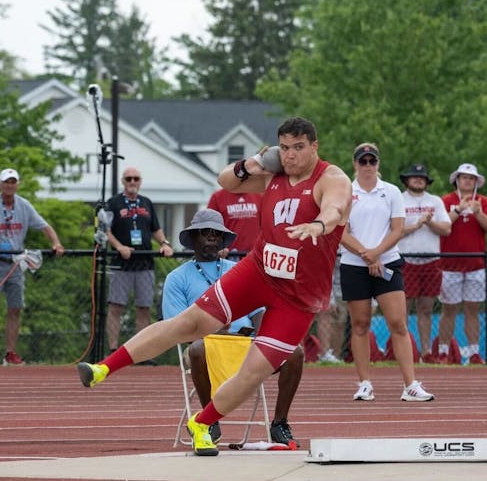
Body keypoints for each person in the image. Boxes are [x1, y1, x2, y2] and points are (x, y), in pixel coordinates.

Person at [77, 116, 353, 457]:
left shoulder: (331, 177)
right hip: (259, 271)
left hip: (298, 297)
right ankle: (103, 367)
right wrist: (252, 163)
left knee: (253, 373)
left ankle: (202, 422)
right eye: (284, 148)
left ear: (314, 146)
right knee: (189, 323)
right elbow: (226, 181)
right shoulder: (272, 176)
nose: (291, 155)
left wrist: (318, 224)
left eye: (298, 148)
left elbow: (336, 206)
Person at [162, 208, 303, 446]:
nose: (212, 237)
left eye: (217, 233)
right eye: (206, 232)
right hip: (206, 345)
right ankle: (208, 421)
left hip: (246, 345)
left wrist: (264, 334)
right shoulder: (177, 278)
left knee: (294, 351)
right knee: (197, 348)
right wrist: (215, 333)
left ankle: (280, 423)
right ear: (193, 237)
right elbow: (178, 328)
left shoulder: (239, 269)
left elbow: (259, 313)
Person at [340, 143, 434, 402]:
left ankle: (410, 384)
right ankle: (364, 383)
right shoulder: (345, 191)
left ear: (378, 163)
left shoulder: (391, 191)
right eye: (363, 161)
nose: (368, 166)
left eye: (372, 161)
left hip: (388, 262)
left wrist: (376, 253)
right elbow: (341, 231)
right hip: (354, 264)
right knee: (359, 325)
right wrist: (365, 254)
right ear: (355, 163)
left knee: (398, 323)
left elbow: (397, 229)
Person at [0, 168, 65, 365]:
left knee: (15, 309)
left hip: (15, 264)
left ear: (17, 184)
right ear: (0, 184)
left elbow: (45, 226)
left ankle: (10, 352)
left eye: (13, 182)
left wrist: (56, 243)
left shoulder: (23, 205)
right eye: (6, 182)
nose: (9, 185)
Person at [105, 167, 174, 353]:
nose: (132, 182)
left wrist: (165, 243)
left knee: (144, 307)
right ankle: (113, 349)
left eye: (136, 178)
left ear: (140, 181)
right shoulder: (113, 203)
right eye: (128, 179)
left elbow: (155, 229)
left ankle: (141, 351)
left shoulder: (147, 203)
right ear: (122, 181)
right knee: (116, 306)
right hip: (121, 264)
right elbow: (106, 230)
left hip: (145, 263)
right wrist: (119, 246)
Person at [437, 163, 487, 364]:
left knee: (472, 310)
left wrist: (478, 212)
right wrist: (458, 210)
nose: (467, 181)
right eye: (464, 177)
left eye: (471, 178)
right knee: (448, 310)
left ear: (476, 182)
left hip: (475, 264)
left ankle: (473, 352)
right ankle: (443, 351)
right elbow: (441, 226)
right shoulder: (446, 200)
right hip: (450, 264)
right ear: (457, 180)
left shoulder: (483, 201)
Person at [398, 163, 451, 362]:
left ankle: (425, 351)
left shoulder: (435, 201)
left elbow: (446, 229)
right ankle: (403, 351)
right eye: (414, 177)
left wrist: (429, 222)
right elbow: (396, 230)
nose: (418, 180)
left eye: (421, 177)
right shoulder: (399, 200)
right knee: (403, 308)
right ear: (407, 180)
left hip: (431, 261)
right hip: (406, 260)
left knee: (426, 308)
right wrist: (417, 224)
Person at [207, 189, 262, 260]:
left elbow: (267, 227)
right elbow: (209, 227)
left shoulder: (260, 195)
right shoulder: (217, 197)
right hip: (228, 257)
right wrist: (216, 246)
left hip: (254, 257)